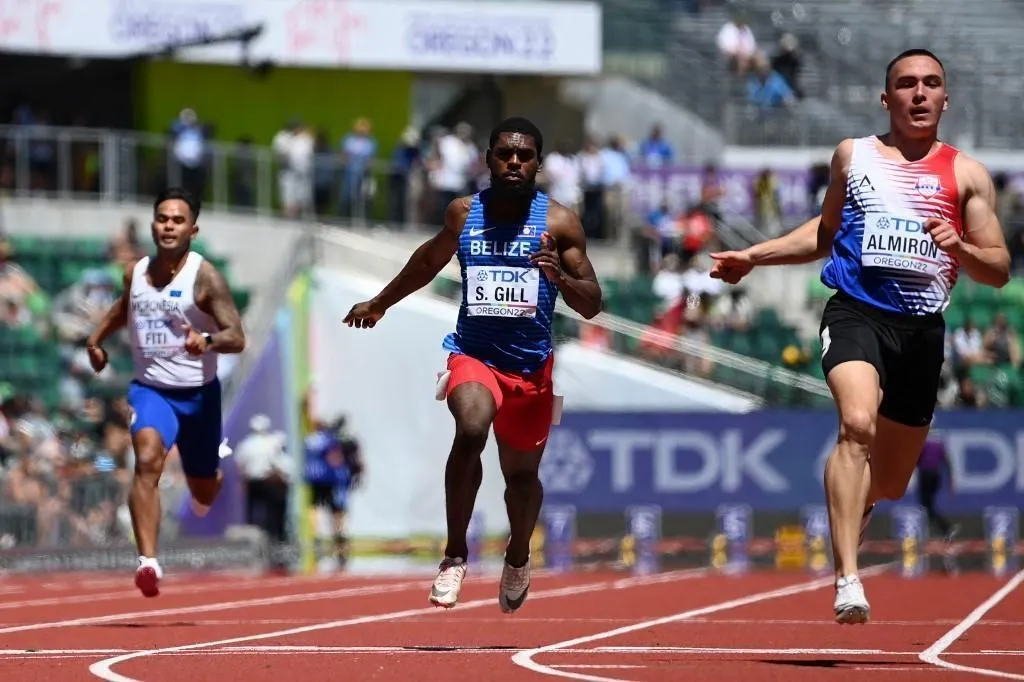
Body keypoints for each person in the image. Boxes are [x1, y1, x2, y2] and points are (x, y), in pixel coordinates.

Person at [709, 49, 1010, 624]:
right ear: (886, 97)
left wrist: (960, 248)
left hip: (921, 332)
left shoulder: (967, 175)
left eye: (931, 84)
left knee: (892, 482)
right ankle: (848, 577)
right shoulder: (854, 156)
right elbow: (824, 236)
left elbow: (998, 269)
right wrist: (753, 255)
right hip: (856, 314)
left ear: (946, 98)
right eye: (905, 84)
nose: (919, 94)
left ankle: (859, 503)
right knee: (856, 424)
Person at [344, 117, 602, 612]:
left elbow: (593, 303)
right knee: (471, 427)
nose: (513, 162)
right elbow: (427, 261)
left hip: (530, 369)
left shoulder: (560, 223)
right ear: (487, 159)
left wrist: (560, 279)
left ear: (538, 165)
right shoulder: (464, 214)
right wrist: (380, 302)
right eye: (504, 153)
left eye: (524, 156)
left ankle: (519, 554)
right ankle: (455, 555)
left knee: (521, 481)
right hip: (474, 353)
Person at [85, 188, 246, 597]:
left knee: (203, 489)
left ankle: (212, 470)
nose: (169, 226)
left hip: (198, 395)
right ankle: (149, 563)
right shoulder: (135, 272)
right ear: (154, 224)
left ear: (192, 228)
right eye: (162, 219)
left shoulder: (205, 276)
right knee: (148, 457)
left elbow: (237, 336)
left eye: (177, 220)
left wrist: (207, 341)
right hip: (151, 390)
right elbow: (125, 308)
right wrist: (96, 339)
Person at [916, 430, 957, 540]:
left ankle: (946, 528)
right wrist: (952, 481)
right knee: (928, 505)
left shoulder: (923, 443)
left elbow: (917, 459)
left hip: (926, 475)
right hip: (935, 475)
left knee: (926, 505)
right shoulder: (939, 444)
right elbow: (947, 463)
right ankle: (942, 529)